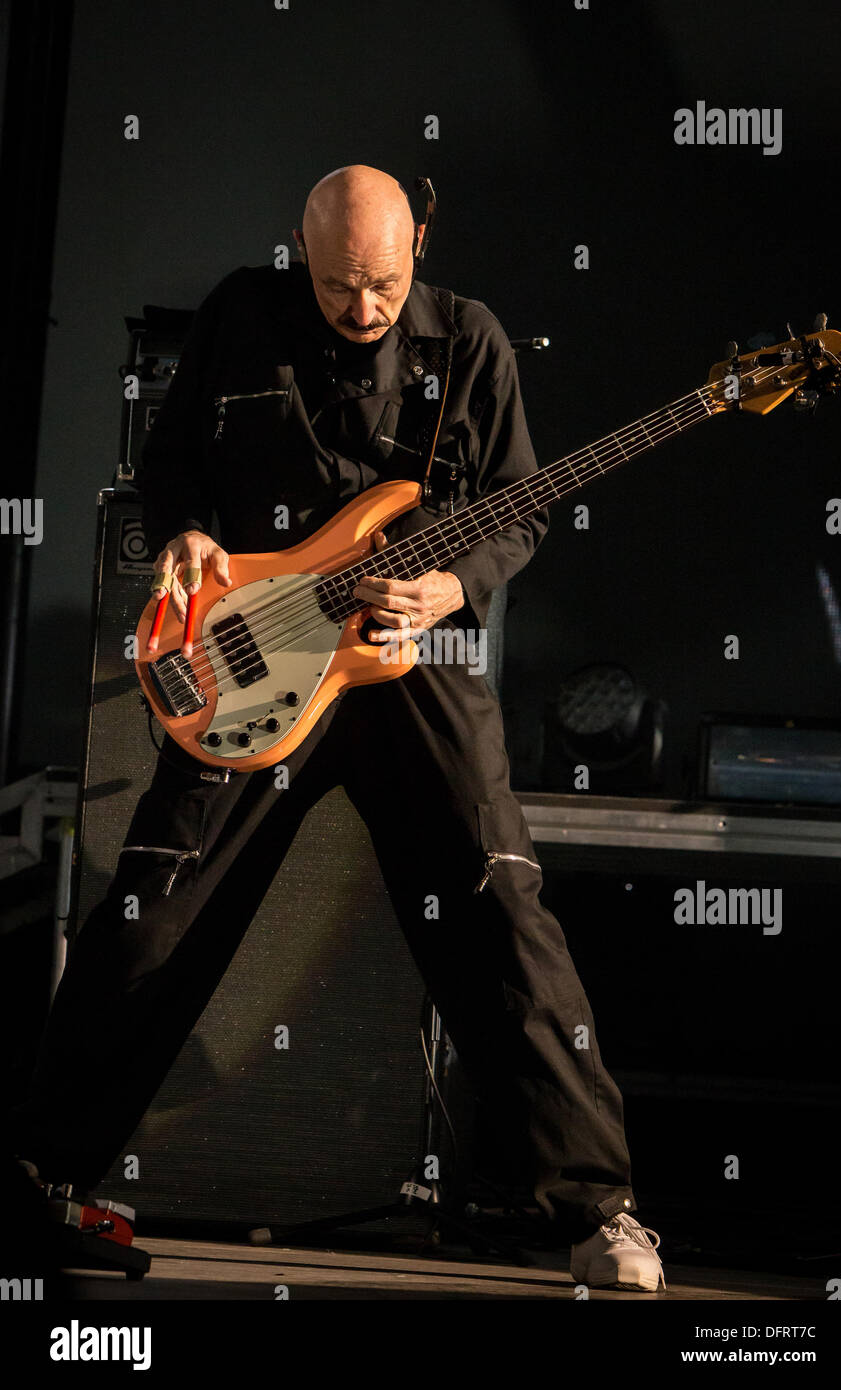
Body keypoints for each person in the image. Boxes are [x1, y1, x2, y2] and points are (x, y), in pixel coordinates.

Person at [5, 165, 664, 1292]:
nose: (361, 308)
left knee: (498, 903)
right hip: (258, 662)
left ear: (420, 241)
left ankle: (597, 1211)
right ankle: (35, 1180)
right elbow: (170, 463)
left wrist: (452, 587)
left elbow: (520, 501)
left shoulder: (470, 342)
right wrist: (188, 535)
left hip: (405, 662)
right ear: (296, 254)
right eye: (334, 285)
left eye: (382, 284)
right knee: (150, 911)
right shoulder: (237, 314)